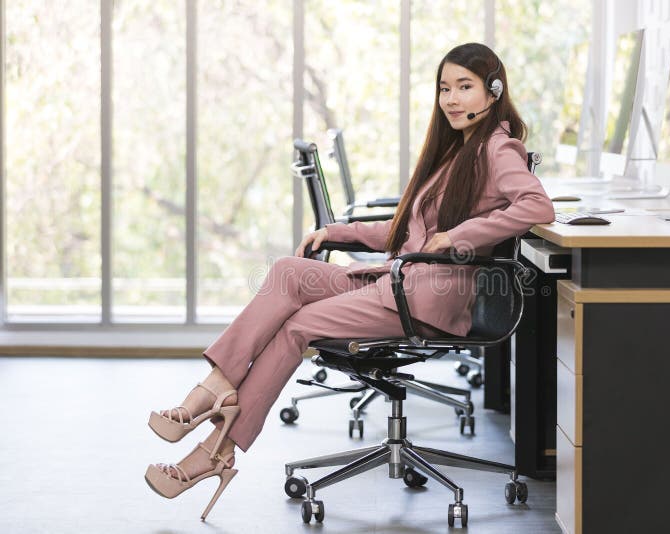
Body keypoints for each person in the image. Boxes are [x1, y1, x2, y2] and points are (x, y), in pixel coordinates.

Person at [143, 41, 555, 520]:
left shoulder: (497, 147)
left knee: (297, 324)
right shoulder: (456, 151)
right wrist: (333, 232)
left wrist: (456, 238)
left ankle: (216, 451)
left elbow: (536, 206)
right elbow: (401, 229)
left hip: (425, 298)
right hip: (396, 283)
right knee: (287, 272)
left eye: (465, 87)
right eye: (445, 88)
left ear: (493, 92)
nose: (453, 99)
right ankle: (216, 387)